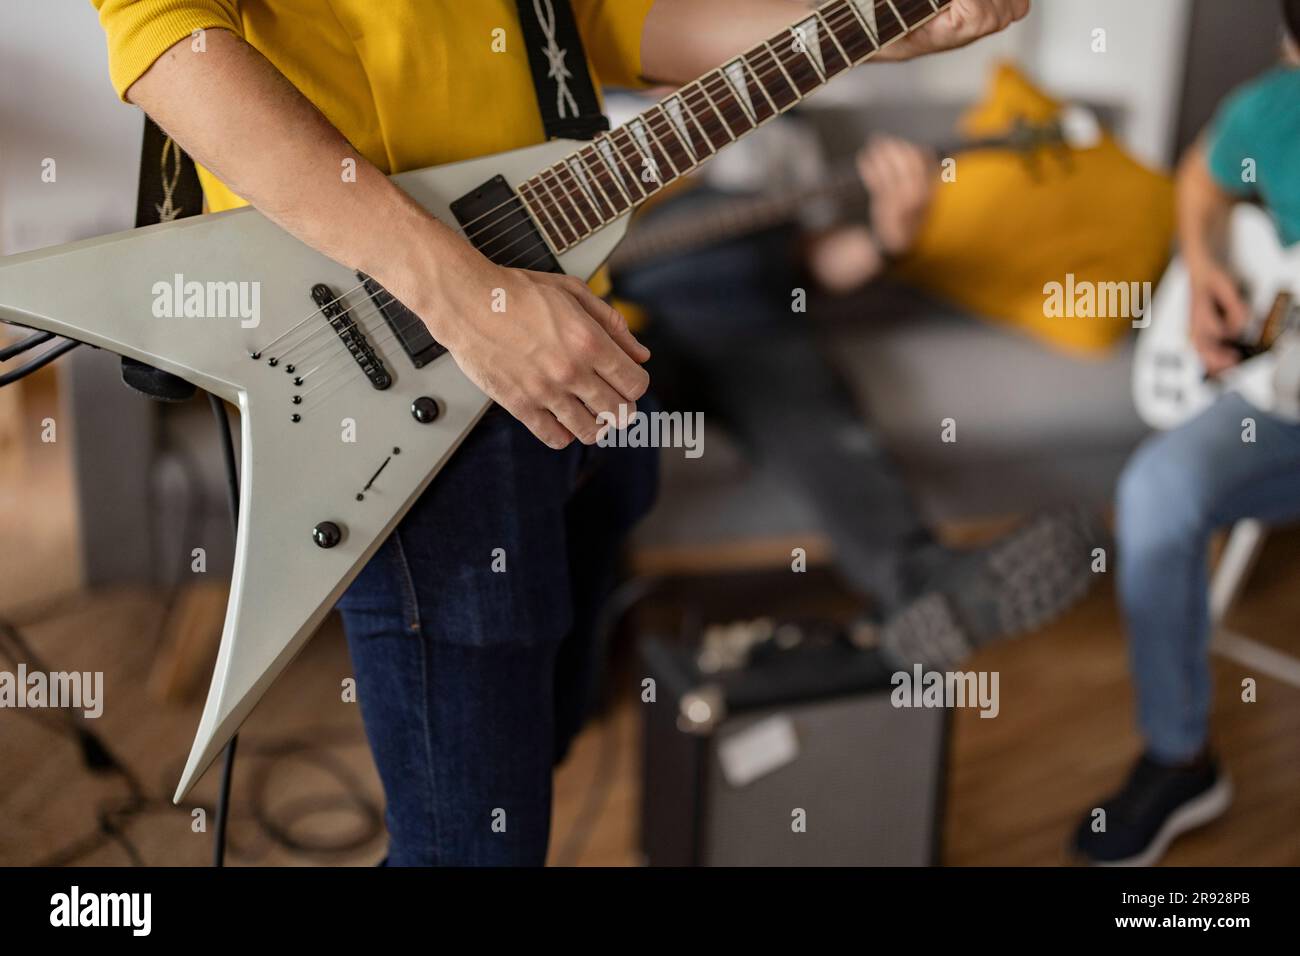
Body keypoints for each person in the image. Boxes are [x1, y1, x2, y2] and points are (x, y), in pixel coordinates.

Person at [91, 0, 1029, 865]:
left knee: (521, 765)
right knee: (473, 849)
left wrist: (868, 26)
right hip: (415, 372)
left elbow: (603, 20)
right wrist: (465, 295)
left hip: (575, 350)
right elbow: (166, 35)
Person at [614, 125, 1105, 664]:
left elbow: (813, 264)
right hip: (606, 320)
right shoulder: (577, 105)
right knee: (592, 422)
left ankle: (921, 583)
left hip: (739, 320)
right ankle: (586, 628)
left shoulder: (778, 133)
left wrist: (888, 237)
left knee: (809, 412)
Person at [1073, 1, 1300, 866]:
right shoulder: (1271, 107)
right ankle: (1180, 757)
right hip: (1276, 404)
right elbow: (1202, 179)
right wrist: (1206, 273)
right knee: (1156, 490)